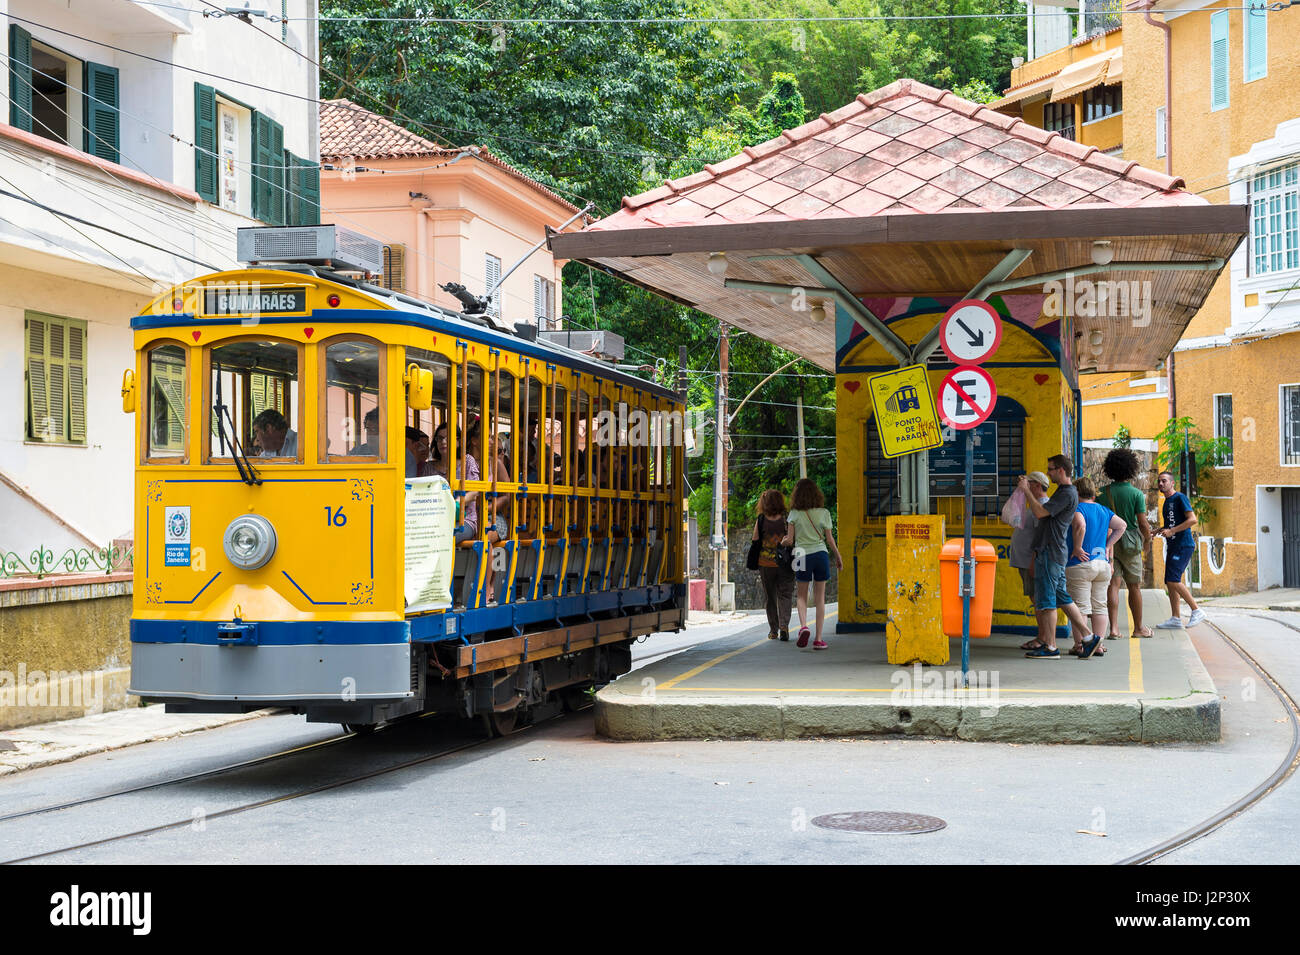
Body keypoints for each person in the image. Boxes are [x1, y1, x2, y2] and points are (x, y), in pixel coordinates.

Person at [1016, 454, 1101, 660]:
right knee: (1062, 597)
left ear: (1061, 470)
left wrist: (1026, 490)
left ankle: (1051, 646)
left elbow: (1040, 513)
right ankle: (1089, 637)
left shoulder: (1066, 493)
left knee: (1046, 601)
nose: (1048, 473)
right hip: (1055, 551)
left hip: (1050, 552)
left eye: (1051, 469)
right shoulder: (1065, 492)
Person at [1065, 477, 1127, 657]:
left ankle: (1081, 645)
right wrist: (1107, 546)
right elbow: (1121, 526)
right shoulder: (1103, 510)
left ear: (1076, 492)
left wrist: (1077, 546)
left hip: (1080, 563)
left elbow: (1080, 524)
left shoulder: (1077, 508)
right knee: (1100, 606)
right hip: (1102, 563)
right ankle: (1098, 645)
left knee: (1080, 607)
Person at [1098, 448, 1154, 638]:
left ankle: (1113, 629)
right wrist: (1147, 540)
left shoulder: (1102, 493)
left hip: (1109, 541)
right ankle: (1138, 628)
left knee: (1113, 585)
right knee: (1134, 586)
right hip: (1130, 542)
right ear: (1131, 468)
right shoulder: (1136, 494)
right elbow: (1143, 523)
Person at [781, 478, 842, 650]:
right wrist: (838, 556)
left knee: (801, 595)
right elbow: (830, 539)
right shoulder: (824, 513)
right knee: (820, 598)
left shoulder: (794, 513)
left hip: (801, 554)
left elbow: (790, 540)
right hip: (821, 553)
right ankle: (819, 639)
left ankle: (803, 627)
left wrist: (783, 542)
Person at [1155, 471, 1205, 628]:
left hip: (1183, 545)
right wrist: (1160, 530)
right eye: (1159, 481)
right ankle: (1175, 619)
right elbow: (1172, 524)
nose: (1161, 484)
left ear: (1172, 483)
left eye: (1164, 481)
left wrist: (1172, 531)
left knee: (1173, 579)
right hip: (1173, 545)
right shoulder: (1167, 502)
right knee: (1169, 582)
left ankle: (1197, 610)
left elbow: (1192, 520)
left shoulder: (1180, 498)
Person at [751, 488, 795, 641]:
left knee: (770, 597)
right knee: (785, 595)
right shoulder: (786, 518)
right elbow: (791, 539)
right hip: (785, 563)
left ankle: (773, 630)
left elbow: (755, 539)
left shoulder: (761, 519)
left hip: (766, 564)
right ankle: (784, 626)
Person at [1008, 471, 1051, 621]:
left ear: (1037, 485)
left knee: (1038, 600)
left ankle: (1043, 637)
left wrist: (1034, 561)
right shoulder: (1034, 505)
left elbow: (1042, 537)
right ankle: (1042, 635)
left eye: (1029, 484)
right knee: (1035, 599)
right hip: (1026, 561)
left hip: (1031, 562)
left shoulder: (1041, 506)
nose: (1025, 487)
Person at [429, 422, 479, 542]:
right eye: (440, 438)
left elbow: (474, 493)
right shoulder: (429, 467)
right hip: (434, 521)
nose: (443, 442)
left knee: (443, 536)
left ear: (458, 442)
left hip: (463, 520)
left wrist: (454, 504)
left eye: (448, 438)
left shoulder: (467, 461)